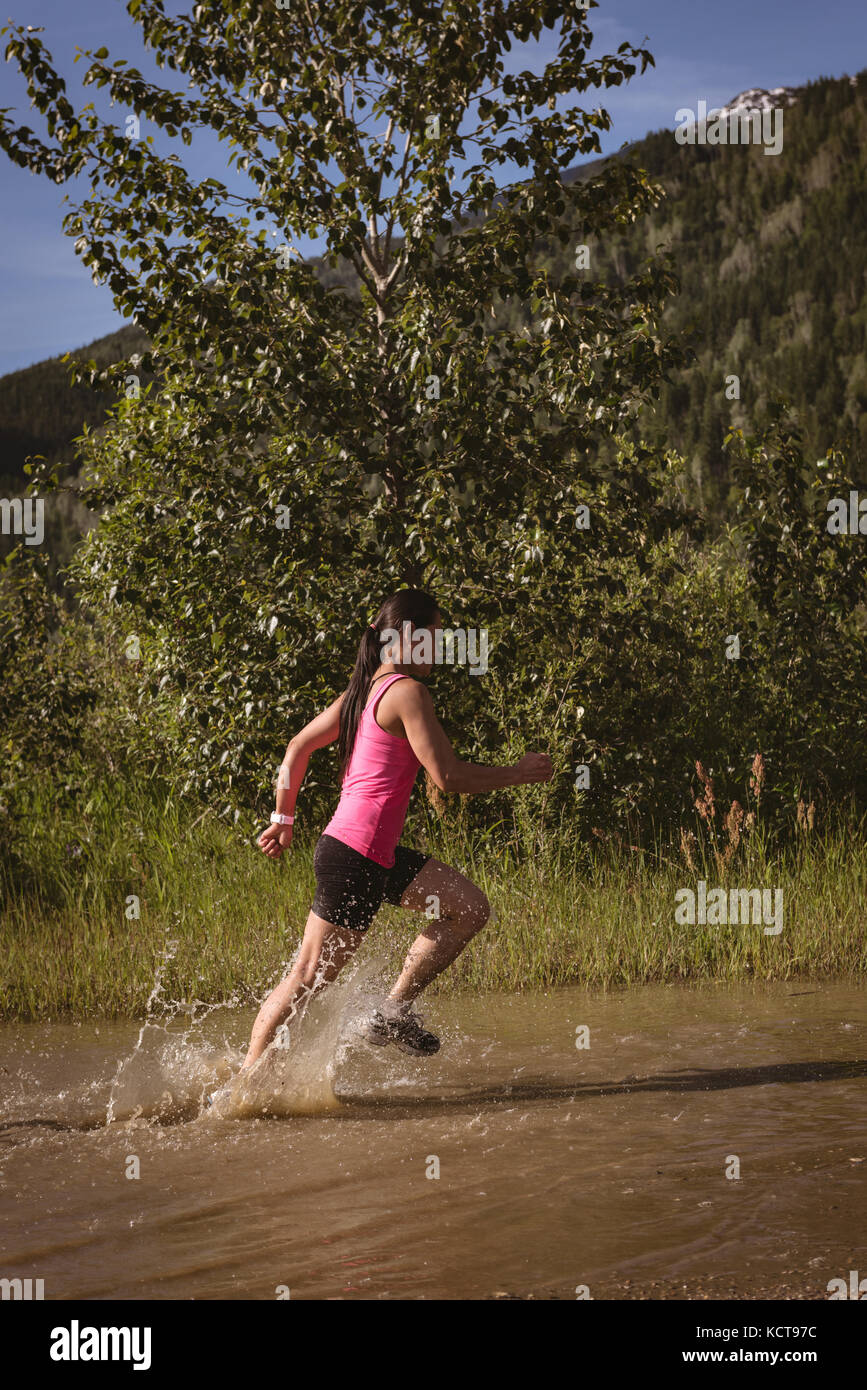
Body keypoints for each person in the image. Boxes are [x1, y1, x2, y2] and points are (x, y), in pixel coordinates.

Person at [240, 588, 552, 1070]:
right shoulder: (405, 692)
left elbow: (296, 748)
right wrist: (518, 772)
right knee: (305, 977)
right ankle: (245, 1084)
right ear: (406, 635)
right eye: (434, 637)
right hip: (355, 857)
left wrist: (283, 819)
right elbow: (445, 776)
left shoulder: (365, 691)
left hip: (371, 854)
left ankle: (392, 1012)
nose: (441, 649)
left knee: (468, 908)